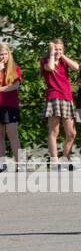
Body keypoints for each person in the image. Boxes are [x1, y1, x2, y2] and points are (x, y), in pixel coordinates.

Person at [41, 39, 80, 169]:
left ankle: (65, 158)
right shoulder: (45, 61)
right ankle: (54, 161)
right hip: (54, 97)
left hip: (67, 97)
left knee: (71, 133)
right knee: (54, 131)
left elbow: (76, 67)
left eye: (60, 49)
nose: (57, 51)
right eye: (55, 49)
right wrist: (52, 54)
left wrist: (62, 55)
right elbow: (51, 68)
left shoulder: (64, 61)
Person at [0, 43, 23, 171]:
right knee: (0, 136)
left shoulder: (14, 68)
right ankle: (2, 164)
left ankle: (20, 164)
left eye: (5, 54)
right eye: (1, 54)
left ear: (9, 54)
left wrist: (1, 89)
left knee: (13, 135)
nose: (3, 56)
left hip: (10, 105)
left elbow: (15, 85)